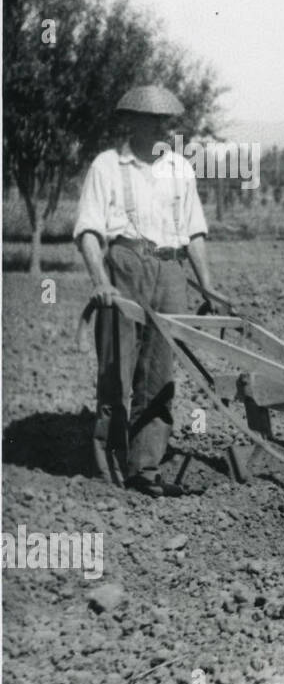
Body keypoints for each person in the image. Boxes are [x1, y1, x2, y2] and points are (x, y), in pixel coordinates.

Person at [73, 84, 222, 496]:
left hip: (170, 271)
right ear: (131, 122)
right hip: (125, 265)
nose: (161, 128)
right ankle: (109, 469)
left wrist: (206, 282)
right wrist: (99, 280)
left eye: (166, 121)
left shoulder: (180, 168)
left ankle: (145, 468)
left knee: (159, 376)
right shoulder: (107, 166)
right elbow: (88, 229)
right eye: (153, 120)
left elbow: (193, 230)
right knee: (117, 372)